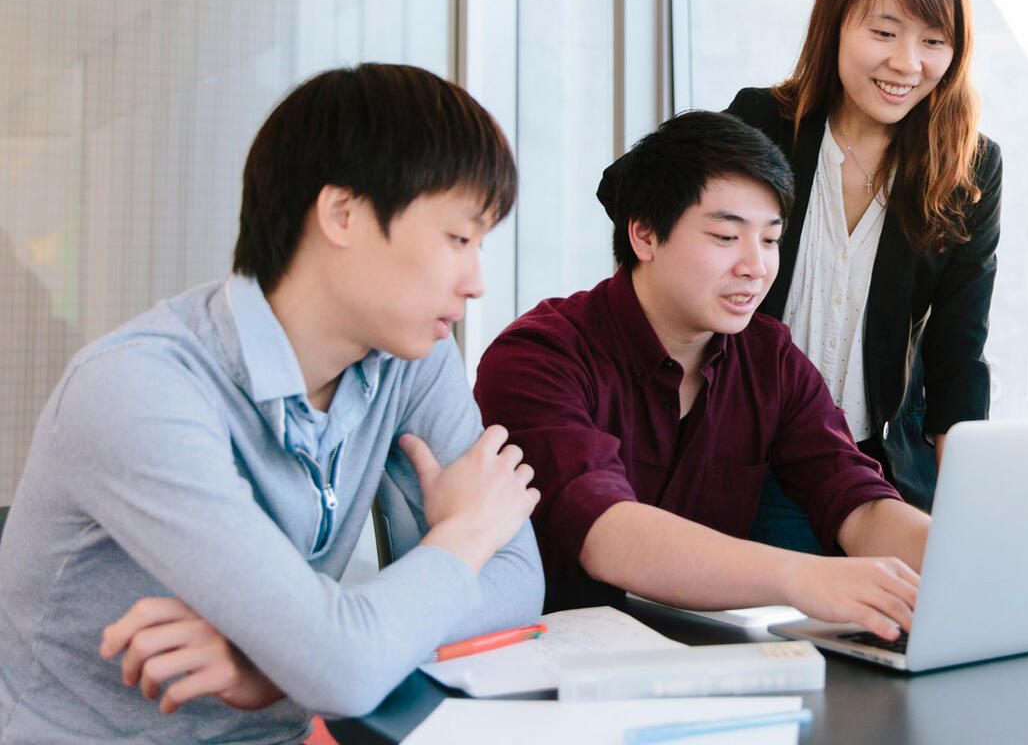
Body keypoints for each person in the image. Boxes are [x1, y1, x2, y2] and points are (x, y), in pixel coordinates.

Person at [0, 64, 544, 742]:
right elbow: (348, 659)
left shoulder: (411, 360)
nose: (477, 281)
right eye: (459, 239)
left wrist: (290, 652)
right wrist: (461, 539)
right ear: (342, 214)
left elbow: (517, 581)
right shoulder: (135, 388)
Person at [474, 110, 930, 640]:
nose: (755, 266)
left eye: (770, 240)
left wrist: (963, 559)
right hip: (543, 656)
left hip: (696, 658)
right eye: (726, 236)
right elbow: (606, 531)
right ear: (645, 235)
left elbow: (856, 500)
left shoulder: (770, 359)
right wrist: (801, 577)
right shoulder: (539, 356)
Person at [724, 0, 1001, 553]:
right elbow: (639, 202)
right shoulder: (764, 123)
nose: (908, 63)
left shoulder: (970, 166)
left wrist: (967, 502)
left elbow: (960, 347)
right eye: (883, 33)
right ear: (836, 26)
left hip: (879, 470)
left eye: (934, 41)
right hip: (754, 460)